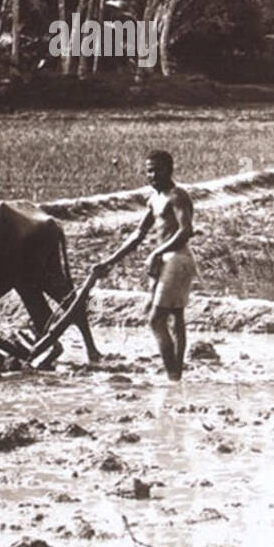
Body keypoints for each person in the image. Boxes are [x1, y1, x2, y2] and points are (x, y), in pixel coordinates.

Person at [93, 150, 195, 381]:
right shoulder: (154, 199)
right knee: (175, 317)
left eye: (157, 170)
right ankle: (177, 376)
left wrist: (158, 251)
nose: (152, 175)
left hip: (177, 259)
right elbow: (138, 235)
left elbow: (186, 230)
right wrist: (109, 261)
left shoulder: (177, 196)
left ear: (169, 170)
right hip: (166, 259)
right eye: (149, 170)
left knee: (156, 319)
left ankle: (172, 375)